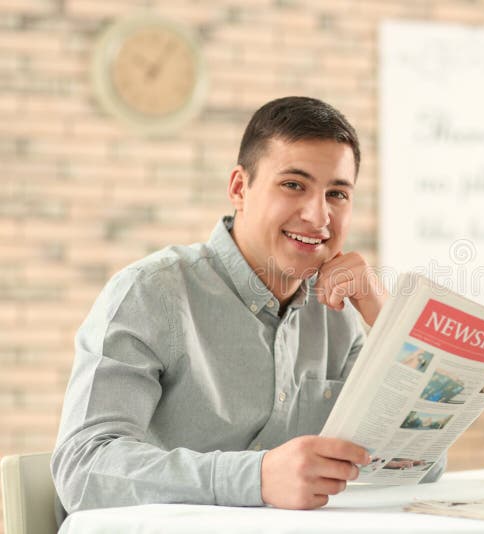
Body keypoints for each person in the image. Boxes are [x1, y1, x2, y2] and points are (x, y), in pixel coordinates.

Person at [51, 96, 445, 521]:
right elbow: (82, 469)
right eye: (294, 184)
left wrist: (386, 318)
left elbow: (421, 466)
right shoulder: (149, 293)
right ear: (240, 188)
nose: (317, 215)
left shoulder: (340, 314)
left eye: (337, 194)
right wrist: (255, 477)